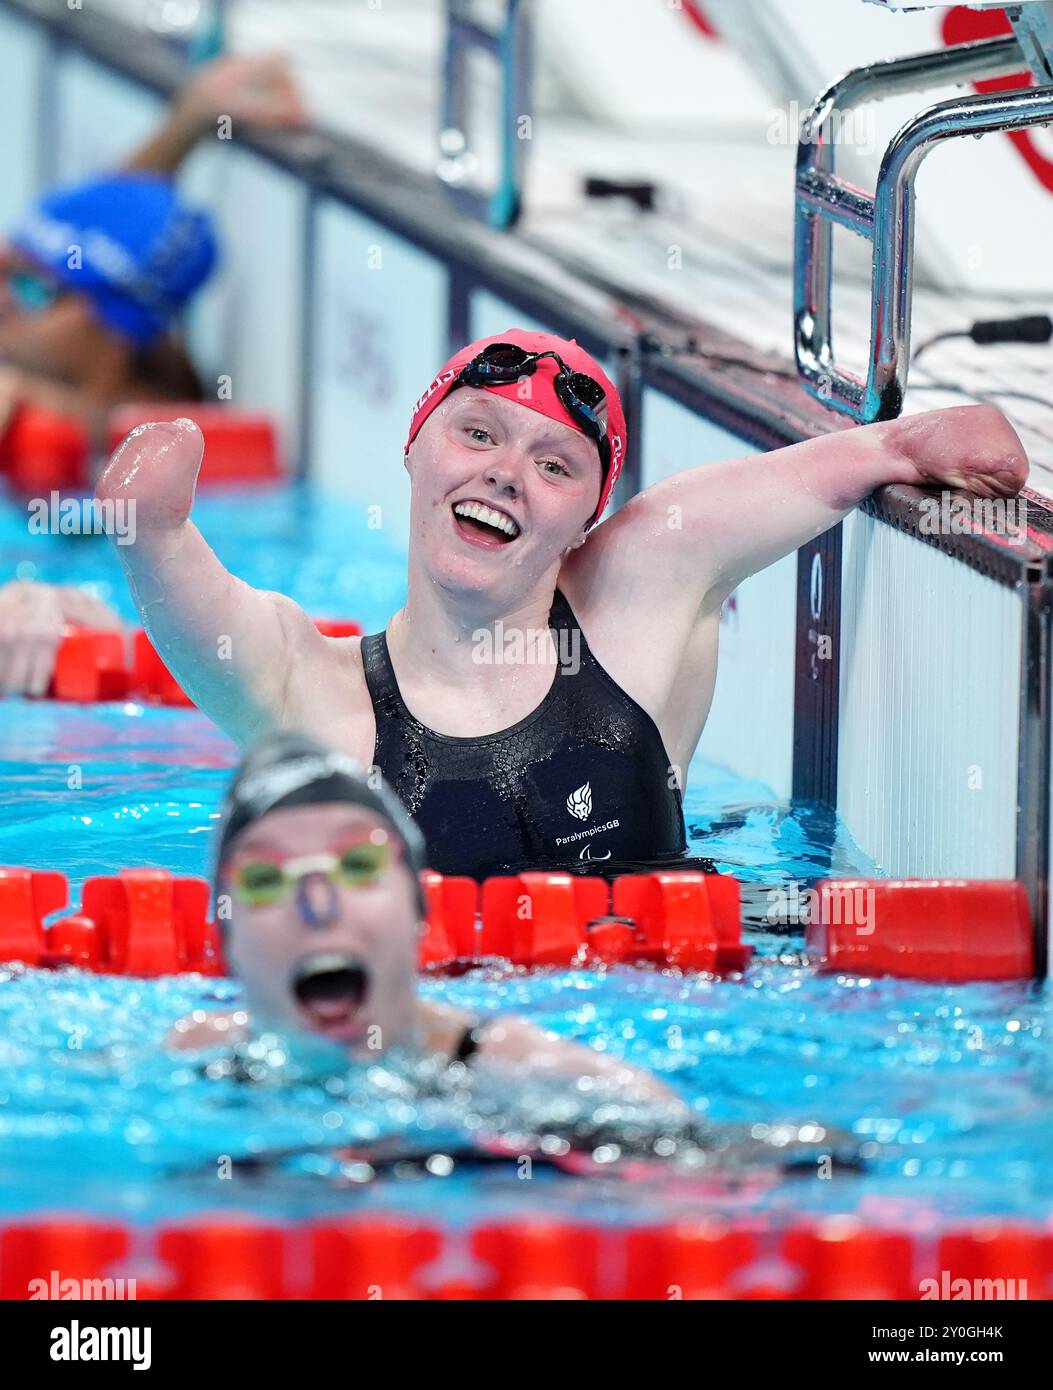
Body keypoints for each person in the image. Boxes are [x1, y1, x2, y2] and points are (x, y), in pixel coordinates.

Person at [97, 330, 1029, 877]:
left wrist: (934, 439)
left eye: (555, 467)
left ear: (589, 516)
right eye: (476, 434)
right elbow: (172, 566)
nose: (504, 474)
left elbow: (894, 450)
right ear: (415, 451)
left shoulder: (641, 596)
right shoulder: (314, 691)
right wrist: (147, 520)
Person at [0, 53, 306, 696]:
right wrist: (189, 122)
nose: (1, 295)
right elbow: (95, 257)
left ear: (114, 328)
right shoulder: (58, 355)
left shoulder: (162, 464)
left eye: (25, 288)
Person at [168, 729, 679, 1107]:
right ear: (225, 937)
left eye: (359, 864)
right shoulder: (185, 1062)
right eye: (265, 878)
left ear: (419, 909)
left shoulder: (560, 1086)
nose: (317, 905)